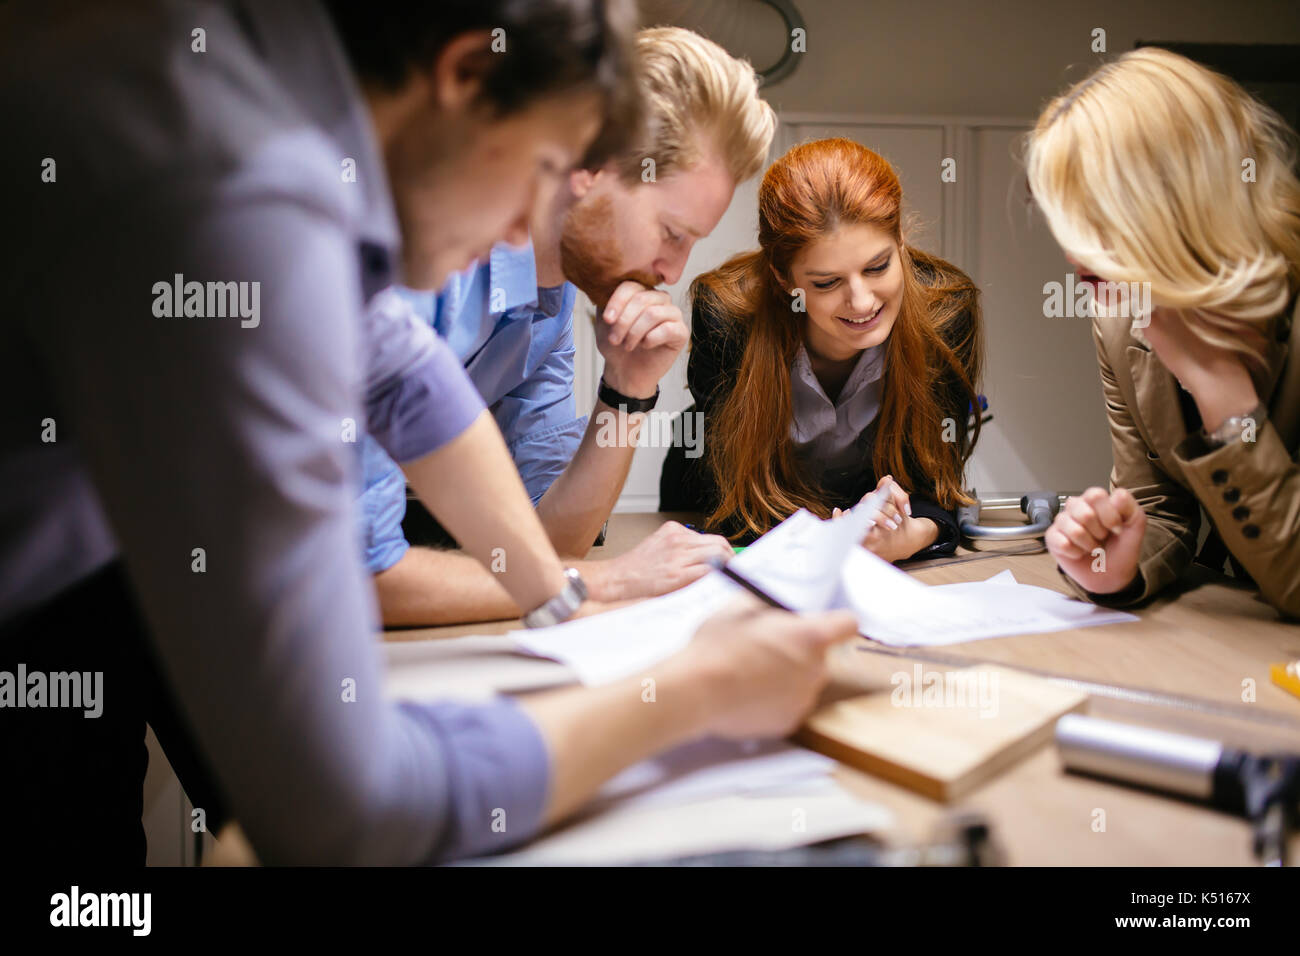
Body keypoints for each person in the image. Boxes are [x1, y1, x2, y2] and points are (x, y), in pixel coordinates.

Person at [0, 0, 856, 866]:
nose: (526, 232)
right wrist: (691, 690)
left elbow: (404, 372)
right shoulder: (242, 191)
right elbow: (343, 815)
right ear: (464, 78)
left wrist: (557, 596)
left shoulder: (277, 110)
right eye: (548, 166)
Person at [360, 27, 778, 626]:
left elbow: (550, 548)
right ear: (594, 164)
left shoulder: (546, 310)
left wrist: (628, 390)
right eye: (672, 233)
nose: (673, 271)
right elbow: (360, 579)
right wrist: (615, 580)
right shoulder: (418, 261)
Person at [1026, 48, 1300, 618]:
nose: (1077, 256)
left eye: (1096, 217)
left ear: (1188, 201)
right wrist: (1112, 567)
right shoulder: (1119, 313)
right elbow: (1160, 506)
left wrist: (1222, 393)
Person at [661, 138, 984, 560]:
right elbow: (731, 497)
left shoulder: (947, 314)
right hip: (735, 524)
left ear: (901, 238)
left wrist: (909, 534)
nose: (863, 301)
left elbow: (934, 481)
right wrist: (828, 536)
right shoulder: (727, 318)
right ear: (781, 276)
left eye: (878, 266)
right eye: (826, 283)